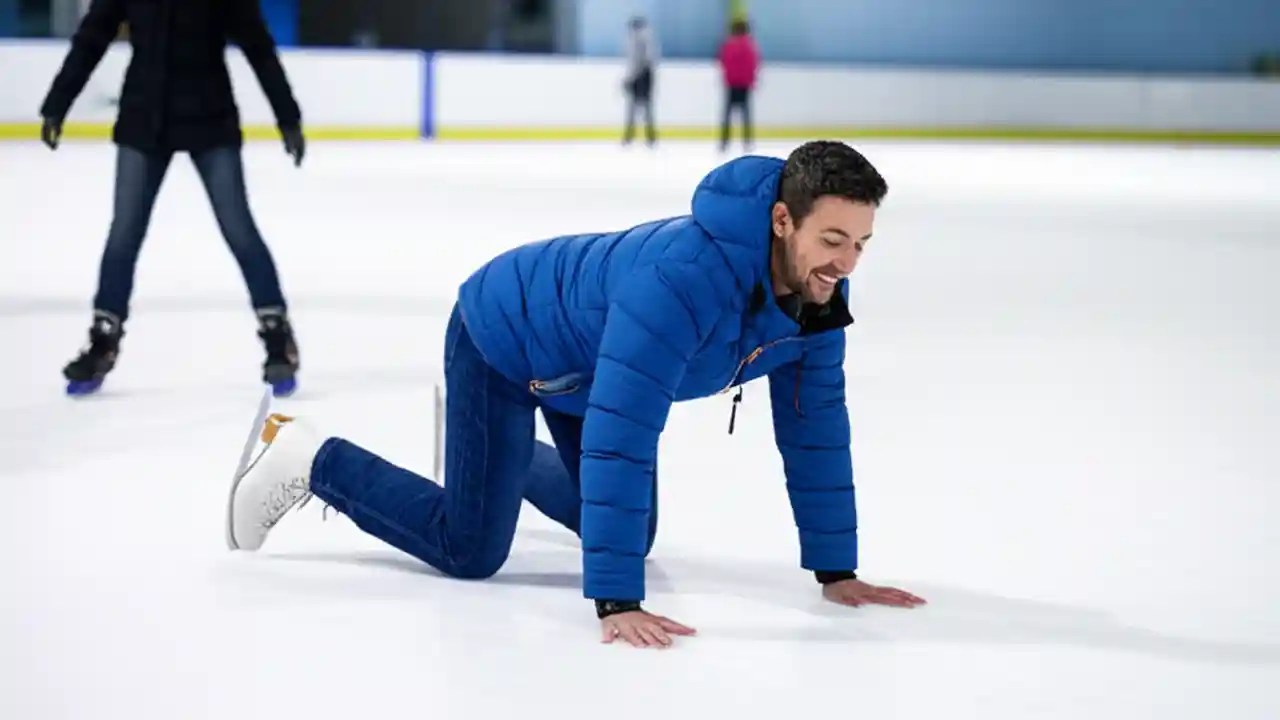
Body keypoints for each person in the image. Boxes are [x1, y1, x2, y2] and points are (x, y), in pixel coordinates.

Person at [225, 141, 926, 649]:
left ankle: (486, 454)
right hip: (504, 338)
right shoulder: (682, 280)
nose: (847, 262)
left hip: (585, 369)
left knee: (631, 530)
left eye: (862, 243)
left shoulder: (819, 295)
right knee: (470, 550)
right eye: (833, 238)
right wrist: (615, 599)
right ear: (782, 222)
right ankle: (308, 455)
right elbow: (625, 428)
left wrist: (836, 570)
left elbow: (815, 426)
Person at [40, 0, 306, 398]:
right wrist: (58, 103)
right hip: (144, 121)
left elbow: (258, 46)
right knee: (124, 233)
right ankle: (103, 339)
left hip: (210, 119)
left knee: (238, 227)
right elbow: (92, 36)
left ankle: (276, 334)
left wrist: (287, 115)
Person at [717, 18, 760, 153]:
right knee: (745, 114)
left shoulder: (728, 45)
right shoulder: (749, 45)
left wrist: (727, 78)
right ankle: (747, 141)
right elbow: (753, 64)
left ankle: (724, 141)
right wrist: (751, 80)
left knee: (727, 114)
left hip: (731, 83)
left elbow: (723, 62)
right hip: (744, 84)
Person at [621, 15, 658, 147]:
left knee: (635, 107)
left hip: (640, 76)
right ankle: (649, 136)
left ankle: (631, 136)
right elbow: (651, 60)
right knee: (645, 107)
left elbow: (638, 61)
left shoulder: (638, 39)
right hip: (646, 75)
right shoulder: (648, 39)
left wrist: (631, 77)